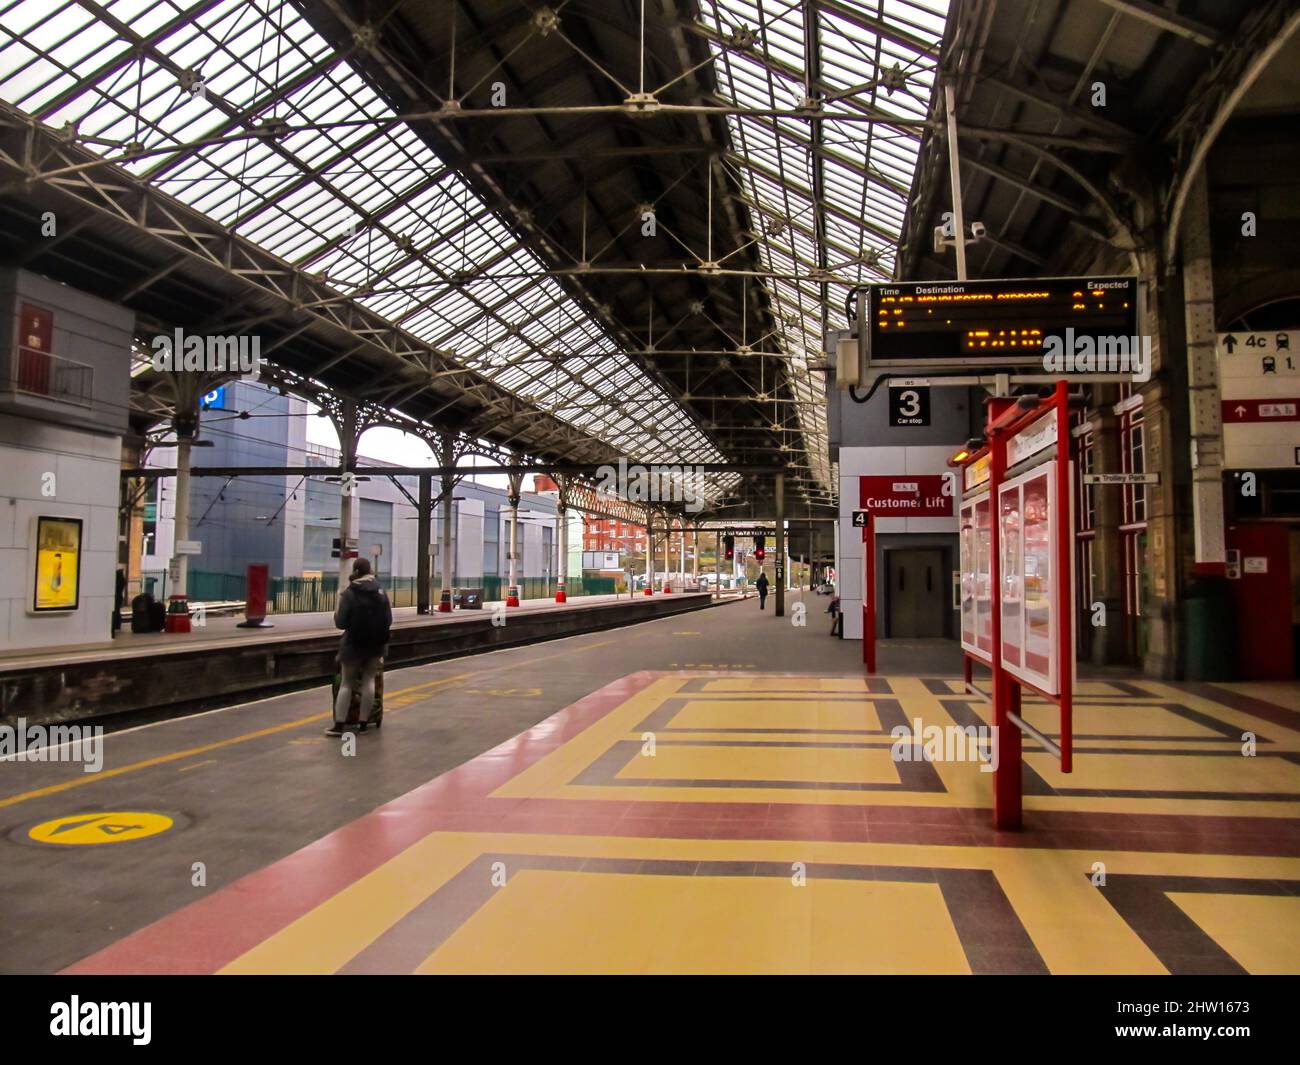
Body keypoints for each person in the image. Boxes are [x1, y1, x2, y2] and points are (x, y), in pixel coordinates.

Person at [327, 558, 392, 737]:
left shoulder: (350, 592)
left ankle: (339, 725)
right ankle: (364, 724)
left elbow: (340, 623)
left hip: (353, 645)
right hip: (376, 644)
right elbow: (389, 620)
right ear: (369, 570)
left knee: (347, 683)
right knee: (369, 681)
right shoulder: (381, 591)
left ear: (356, 571)